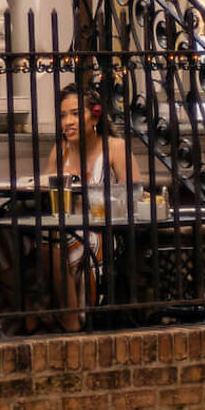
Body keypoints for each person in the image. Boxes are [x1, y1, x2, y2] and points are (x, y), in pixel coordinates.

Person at [38, 85, 137, 330]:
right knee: (18, 239)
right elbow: (45, 192)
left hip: (103, 230)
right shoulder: (60, 151)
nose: (67, 122)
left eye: (74, 114)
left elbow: (135, 194)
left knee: (57, 240)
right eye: (62, 116)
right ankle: (35, 311)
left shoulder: (115, 148)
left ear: (95, 115)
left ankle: (70, 320)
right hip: (64, 225)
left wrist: (95, 199)